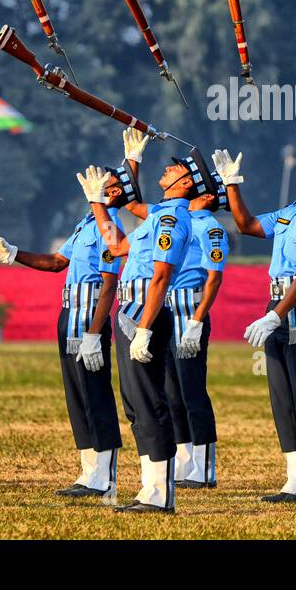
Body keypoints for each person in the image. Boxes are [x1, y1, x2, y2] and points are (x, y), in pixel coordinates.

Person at [0, 152, 137, 498]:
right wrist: (13, 253)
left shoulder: (111, 228)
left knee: (96, 394)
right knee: (76, 395)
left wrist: (95, 334)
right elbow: (55, 262)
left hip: (89, 317)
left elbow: (109, 285)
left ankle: (105, 477)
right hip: (68, 315)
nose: (96, 187)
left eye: (104, 184)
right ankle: (87, 471)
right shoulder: (84, 225)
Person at [213, 147, 296, 503]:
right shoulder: (293, 210)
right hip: (278, 301)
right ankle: (294, 479)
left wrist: (276, 316)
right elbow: (248, 225)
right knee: (282, 396)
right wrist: (231, 185)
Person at [78, 147, 208, 513]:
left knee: (151, 404)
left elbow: (162, 277)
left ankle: (160, 493)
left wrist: (146, 329)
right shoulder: (160, 215)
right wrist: (97, 203)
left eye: (175, 168)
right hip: (131, 313)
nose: (167, 170)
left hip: (144, 316)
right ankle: (149, 488)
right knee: (136, 406)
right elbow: (117, 246)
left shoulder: (170, 221)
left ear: (185, 183)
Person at [121, 129, 229, 489]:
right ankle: (183, 461)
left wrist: (198, 321)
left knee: (192, 389)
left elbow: (214, 278)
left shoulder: (210, 227)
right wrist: (132, 164)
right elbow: (133, 207)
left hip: (188, 308)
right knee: (170, 389)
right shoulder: (172, 215)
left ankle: (204, 465)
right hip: (167, 305)